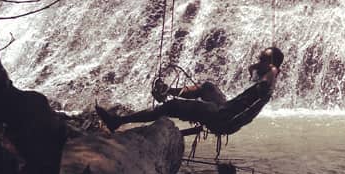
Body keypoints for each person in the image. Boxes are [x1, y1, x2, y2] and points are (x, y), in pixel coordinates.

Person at [96, 46, 283, 135]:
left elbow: (271, 73)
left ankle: (118, 121)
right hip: (226, 109)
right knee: (208, 87)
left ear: (272, 65)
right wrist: (259, 65)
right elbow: (254, 70)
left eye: (263, 59)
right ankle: (168, 90)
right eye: (259, 58)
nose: (259, 62)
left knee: (174, 107)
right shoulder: (263, 77)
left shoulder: (269, 80)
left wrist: (270, 68)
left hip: (223, 119)